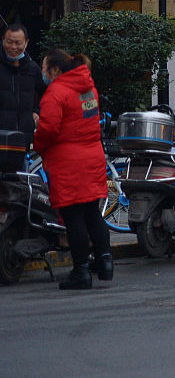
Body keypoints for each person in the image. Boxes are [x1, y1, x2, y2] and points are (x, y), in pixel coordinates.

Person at [34, 49, 112, 289]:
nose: (44, 73)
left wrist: (37, 143)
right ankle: (105, 262)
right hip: (92, 156)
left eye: (45, 68)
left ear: (55, 70)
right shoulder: (88, 89)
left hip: (68, 161)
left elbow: (49, 130)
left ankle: (81, 271)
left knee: (73, 217)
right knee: (92, 213)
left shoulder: (56, 92)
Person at [0, 22, 43, 149]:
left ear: (26, 43)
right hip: (1, 134)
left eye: (18, 43)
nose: (13, 47)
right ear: (3, 41)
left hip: (22, 136)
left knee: (22, 168)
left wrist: (37, 111)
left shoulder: (32, 69)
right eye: (9, 42)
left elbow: (45, 91)